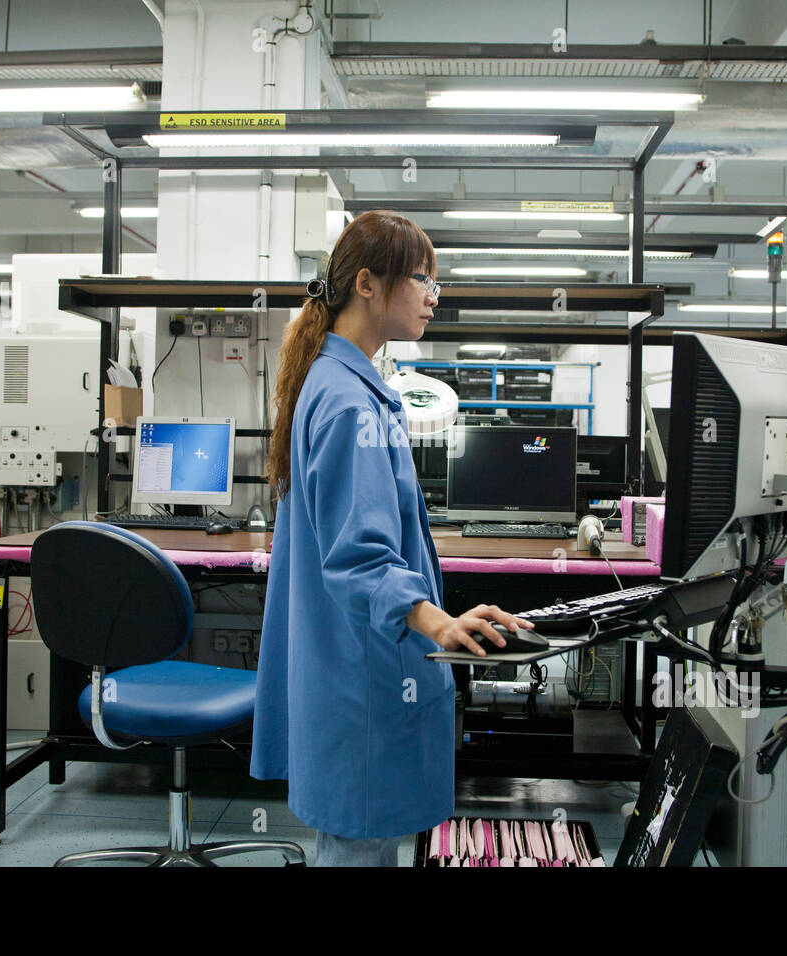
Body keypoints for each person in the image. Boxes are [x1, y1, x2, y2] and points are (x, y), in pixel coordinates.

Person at [250, 210, 536, 867]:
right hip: (366, 681)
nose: (435, 296)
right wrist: (439, 623)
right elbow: (360, 558)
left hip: (346, 674)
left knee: (354, 842)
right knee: (361, 846)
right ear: (369, 285)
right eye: (422, 279)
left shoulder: (334, 383)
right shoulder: (351, 403)